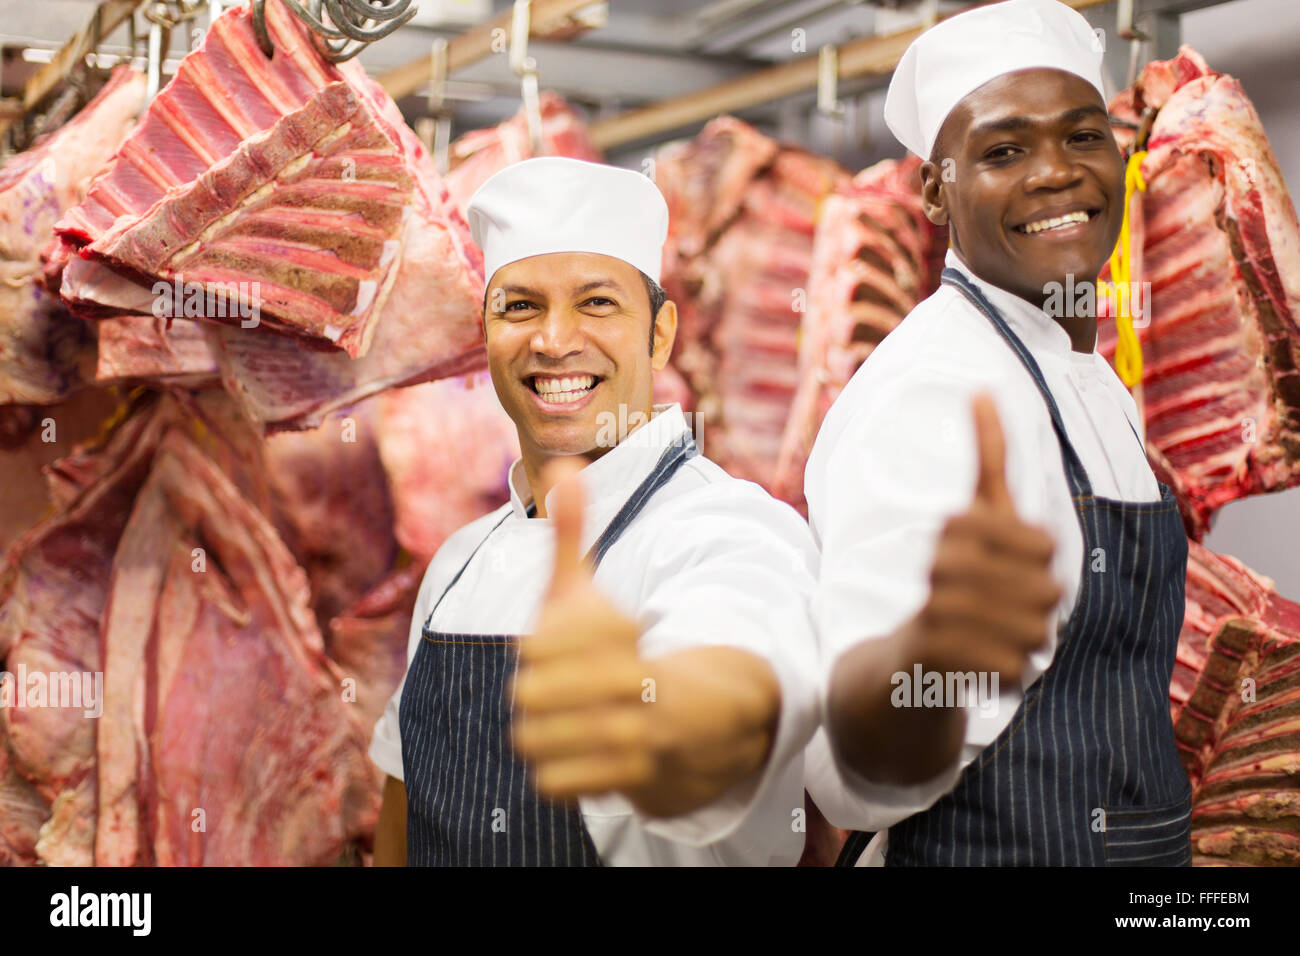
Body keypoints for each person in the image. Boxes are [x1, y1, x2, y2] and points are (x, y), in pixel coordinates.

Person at [804, 0, 1192, 866]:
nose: (1056, 174)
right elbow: (845, 780)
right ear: (935, 192)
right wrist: (930, 663)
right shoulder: (934, 396)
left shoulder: (1091, 383)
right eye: (1004, 150)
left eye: (1083, 136)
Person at [369, 156, 820, 866]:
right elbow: (401, 816)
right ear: (486, 335)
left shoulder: (729, 533)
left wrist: (667, 718)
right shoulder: (459, 563)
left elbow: (732, 706)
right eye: (519, 306)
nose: (554, 340)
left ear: (661, 332)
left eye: (597, 302)